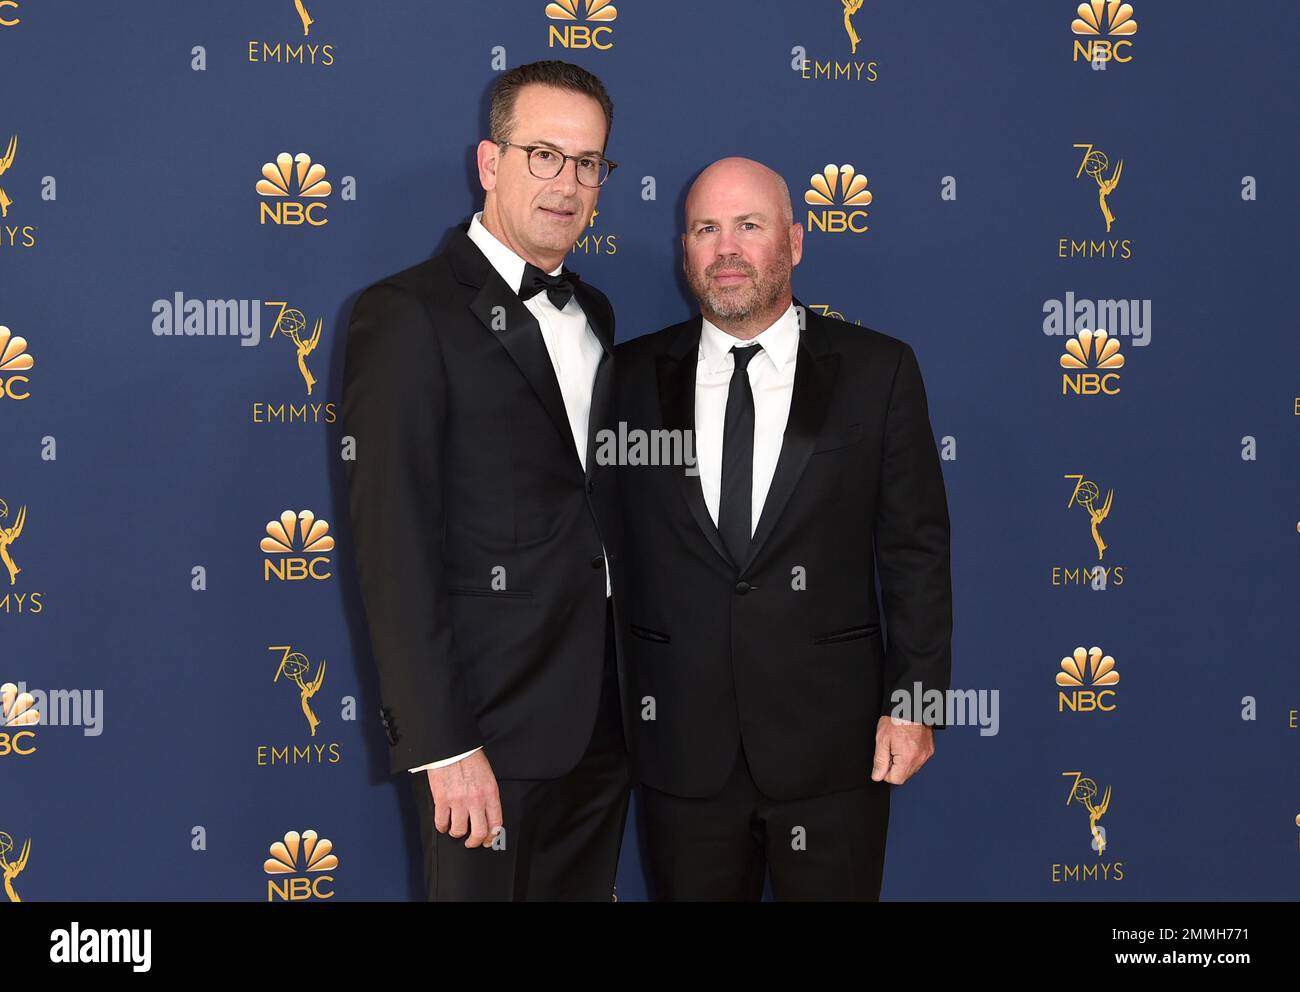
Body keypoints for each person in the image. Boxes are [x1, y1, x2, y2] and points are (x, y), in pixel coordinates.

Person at [613, 156, 952, 900]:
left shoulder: (877, 372)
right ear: (685, 250)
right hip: (679, 749)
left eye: (749, 226)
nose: (725, 249)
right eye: (706, 228)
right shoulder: (628, 378)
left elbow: (916, 551)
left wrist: (917, 703)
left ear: (794, 243)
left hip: (834, 750)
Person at [341, 60, 629, 901]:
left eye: (589, 163)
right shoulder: (405, 314)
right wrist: (442, 745)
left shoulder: (596, 312)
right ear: (489, 163)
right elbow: (392, 546)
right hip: (484, 737)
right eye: (543, 153)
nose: (568, 183)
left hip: (604, 722)